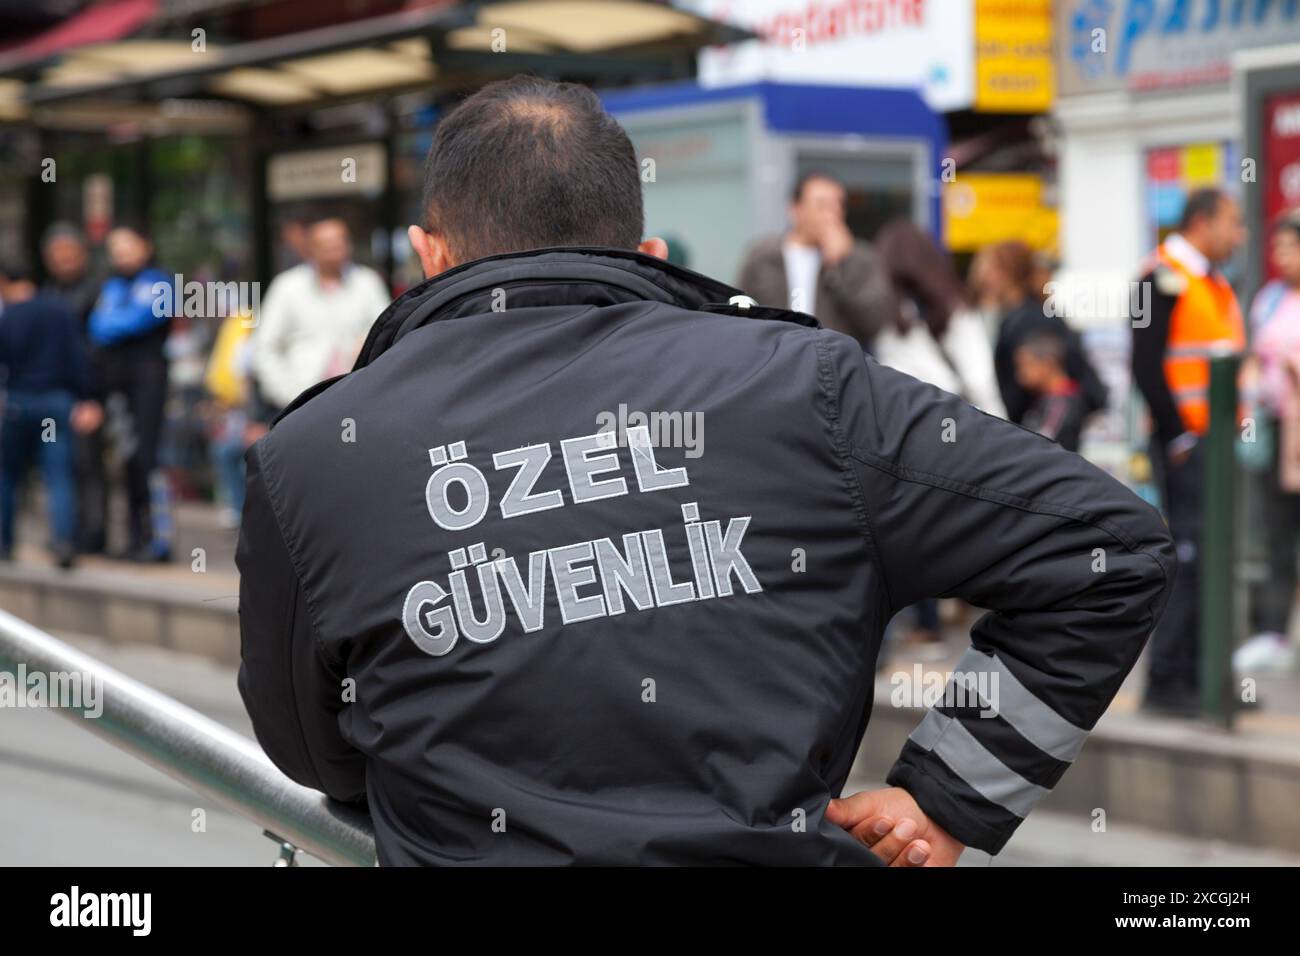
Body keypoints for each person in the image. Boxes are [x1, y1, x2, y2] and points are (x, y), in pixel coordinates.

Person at [237, 75, 1174, 867]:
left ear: (428, 256)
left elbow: (313, 751)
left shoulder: (313, 457)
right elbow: (1108, 549)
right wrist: (948, 797)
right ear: (645, 251)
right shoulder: (808, 387)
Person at [1132, 188, 1247, 717]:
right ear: (1203, 223)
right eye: (1232, 224)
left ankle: (1206, 681)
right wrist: (1178, 436)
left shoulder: (1210, 280)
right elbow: (1146, 364)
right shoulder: (1159, 275)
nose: (1240, 235)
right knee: (1193, 557)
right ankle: (1167, 682)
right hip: (1186, 446)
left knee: (1213, 559)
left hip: (1214, 446)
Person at [0, 264, 102, 568]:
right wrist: (86, 399)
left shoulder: (9, 317)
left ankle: (4, 543)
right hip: (56, 405)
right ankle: (63, 542)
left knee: (8, 475)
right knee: (58, 475)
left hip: (18, 405)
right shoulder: (60, 312)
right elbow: (78, 357)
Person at [1236, 211, 1300, 674]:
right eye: (1276, 247)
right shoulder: (1271, 299)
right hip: (1278, 427)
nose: (1280, 256)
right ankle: (1276, 634)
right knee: (1277, 534)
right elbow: (1253, 358)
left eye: (1289, 247)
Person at [87, 224, 174, 563]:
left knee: (149, 459)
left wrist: (113, 321)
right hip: (118, 383)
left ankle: (159, 540)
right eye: (115, 247)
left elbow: (131, 322)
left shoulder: (160, 281)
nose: (121, 253)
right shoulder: (112, 284)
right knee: (126, 458)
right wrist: (112, 321)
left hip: (149, 379)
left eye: (128, 245)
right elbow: (98, 325)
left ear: (145, 245)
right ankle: (134, 536)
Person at [249, 217, 390, 416]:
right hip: (303, 406)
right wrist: (290, 396)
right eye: (327, 244)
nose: (335, 248)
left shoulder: (367, 283)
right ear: (310, 250)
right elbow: (263, 348)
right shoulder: (287, 288)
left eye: (340, 242)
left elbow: (388, 336)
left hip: (360, 400)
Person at [736, 172, 891, 350]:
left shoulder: (860, 258)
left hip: (835, 364)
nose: (832, 215)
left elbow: (873, 323)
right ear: (796, 209)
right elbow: (741, 313)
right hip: (775, 361)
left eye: (838, 205)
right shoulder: (763, 256)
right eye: (822, 205)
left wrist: (841, 264)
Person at [986, 240, 1107, 427]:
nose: (986, 278)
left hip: (1043, 426)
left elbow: (1056, 374)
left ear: (1006, 273)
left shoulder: (1029, 320)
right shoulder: (1026, 315)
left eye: (991, 270)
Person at [41, 223, 109, 554]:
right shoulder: (48, 295)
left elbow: (99, 350)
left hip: (88, 393)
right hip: (53, 395)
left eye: (70, 253)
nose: (65, 260)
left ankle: (94, 534)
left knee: (89, 464)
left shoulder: (98, 292)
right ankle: (67, 531)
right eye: (58, 255)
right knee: (60, 465)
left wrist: (92, 397)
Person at [1014, 331, 1086, 453]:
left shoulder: (1061, 402)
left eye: (1027, 365)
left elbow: (1042, 444)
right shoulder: (1043, 397)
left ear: (1048, 363)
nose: (1020, 375)